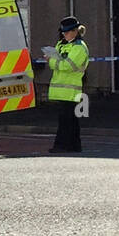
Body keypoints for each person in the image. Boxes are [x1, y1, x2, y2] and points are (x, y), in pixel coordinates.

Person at [45, 16, 89, 153]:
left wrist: (51, 61)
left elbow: (68, 66)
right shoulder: (61, 44)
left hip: (71, 89)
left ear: (75, 31)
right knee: (70, 120)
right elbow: (61, 63)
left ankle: (62, 145)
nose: (64, 34)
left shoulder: (80, 48)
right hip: (61, 89)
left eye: (67, 31)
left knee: (66, 120)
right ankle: (75, 146)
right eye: (63, 32)